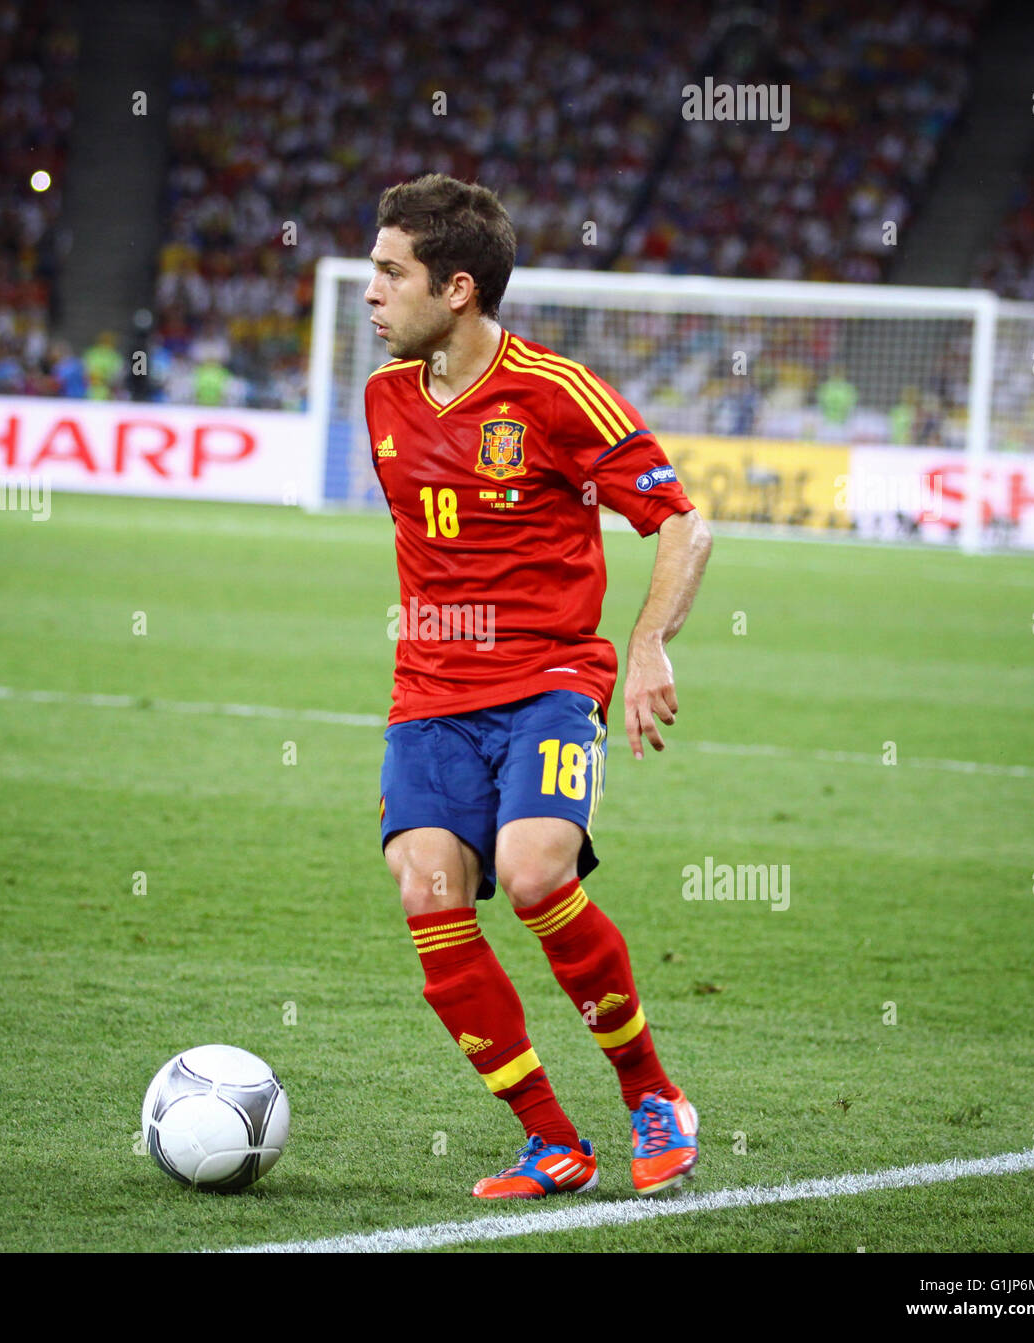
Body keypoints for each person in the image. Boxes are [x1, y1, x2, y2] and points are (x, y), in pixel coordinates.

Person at [365, 175, 712, 1200]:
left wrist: (647, 642)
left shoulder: (556, 393)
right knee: (426, 886)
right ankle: (550, 1138)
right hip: (427, 692)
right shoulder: (386, 396)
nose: (371, 292)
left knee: (530, 872)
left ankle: (655, 1095)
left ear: (458, 288)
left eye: (391, 272)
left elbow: (682, 520)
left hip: (549, 683)